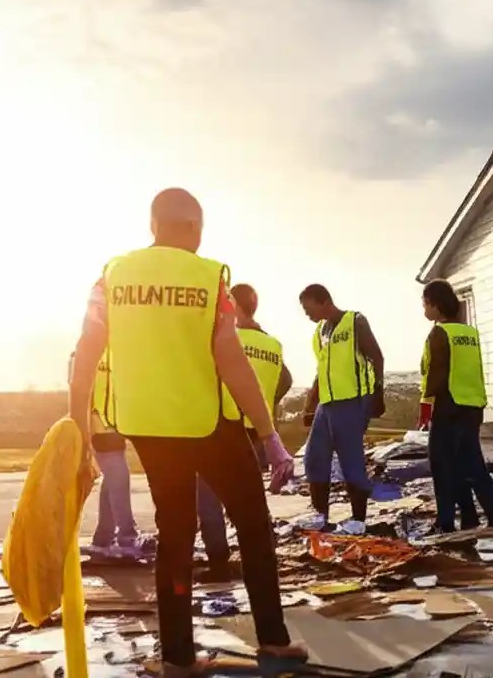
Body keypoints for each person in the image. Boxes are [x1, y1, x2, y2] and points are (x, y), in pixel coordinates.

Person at [68, 188, 306, 675]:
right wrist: (268, 434)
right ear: (195, 228)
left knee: (175, 532)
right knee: (254, 525)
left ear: (153, 225)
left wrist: (79, 432)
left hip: (149, 429)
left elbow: (87, 351)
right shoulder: (207, 276)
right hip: (208, 424)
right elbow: (230, 357)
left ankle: (177, 655)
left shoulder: (112, 276)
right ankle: (273, 640)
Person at [196, 283, 293, 582]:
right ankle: (261, 562)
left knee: (209, 498)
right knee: (250, 502)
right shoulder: (273, 345)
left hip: (226, 427)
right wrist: (267, 404)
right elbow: (285, 380)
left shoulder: (226, 338)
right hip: (258, 433)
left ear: (234, 304)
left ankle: (219, 563)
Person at [418, 280, 493, 533]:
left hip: (448, 403)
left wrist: (426, 404)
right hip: (472, 404)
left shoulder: (439, 332)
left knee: (442, 463)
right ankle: (488, 513)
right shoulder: (470, 333)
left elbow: (436, 372)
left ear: (435, 305)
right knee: (470, 462)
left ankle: (445, 521)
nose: (424, 310)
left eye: (425, 304)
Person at [298, 284, 385, 535]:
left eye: (308, 308)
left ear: (323, 301)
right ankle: (320, 516)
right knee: (314, 458)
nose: (307, 314)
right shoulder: (319, 332)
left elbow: (376, 357)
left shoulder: (354, 321)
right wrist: (310, 403)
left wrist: (378, 393)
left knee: (351, 461)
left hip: (352, 401)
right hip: (327, 405)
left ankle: (358, 519)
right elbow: (321, 370)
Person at [69, 349, 142, 560]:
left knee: (113, 479)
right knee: (119, 476)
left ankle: (103, 539)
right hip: (98, 428)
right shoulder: (84, 354)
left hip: (116, 426)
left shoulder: (120, 350)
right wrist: (82, 432)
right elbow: (79, 394)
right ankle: (127, 538)